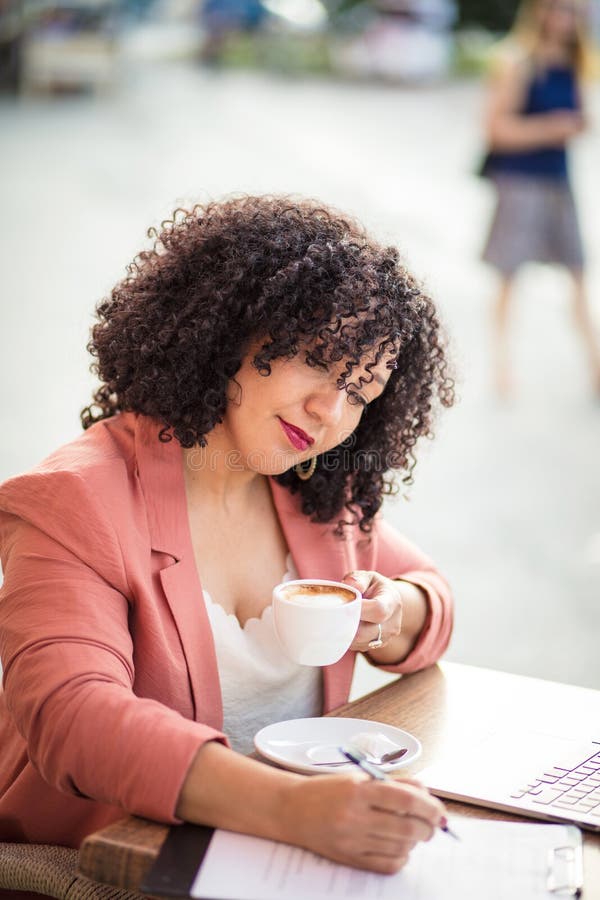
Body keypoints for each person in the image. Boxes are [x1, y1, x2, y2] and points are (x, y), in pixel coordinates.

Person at [0, 196, 454, 875]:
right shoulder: (78, 500)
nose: (329, 411)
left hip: (282, 861)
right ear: (228, 332)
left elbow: (433, 601)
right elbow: (73, 718)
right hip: (112, 869)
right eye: (315, 360)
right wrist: (297, 810)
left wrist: (390, 613)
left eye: (360, 392)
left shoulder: (317, 491)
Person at [480, 0, 600, 396]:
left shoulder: (575, 63)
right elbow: (496, 129)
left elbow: (582, 120)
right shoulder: (518, 62)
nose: (565, 18)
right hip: (520, 181)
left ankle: (594, 365)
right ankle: (500, 368)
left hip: (558, 180)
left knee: (578, 272)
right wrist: (551, 128)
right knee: (509, 277)